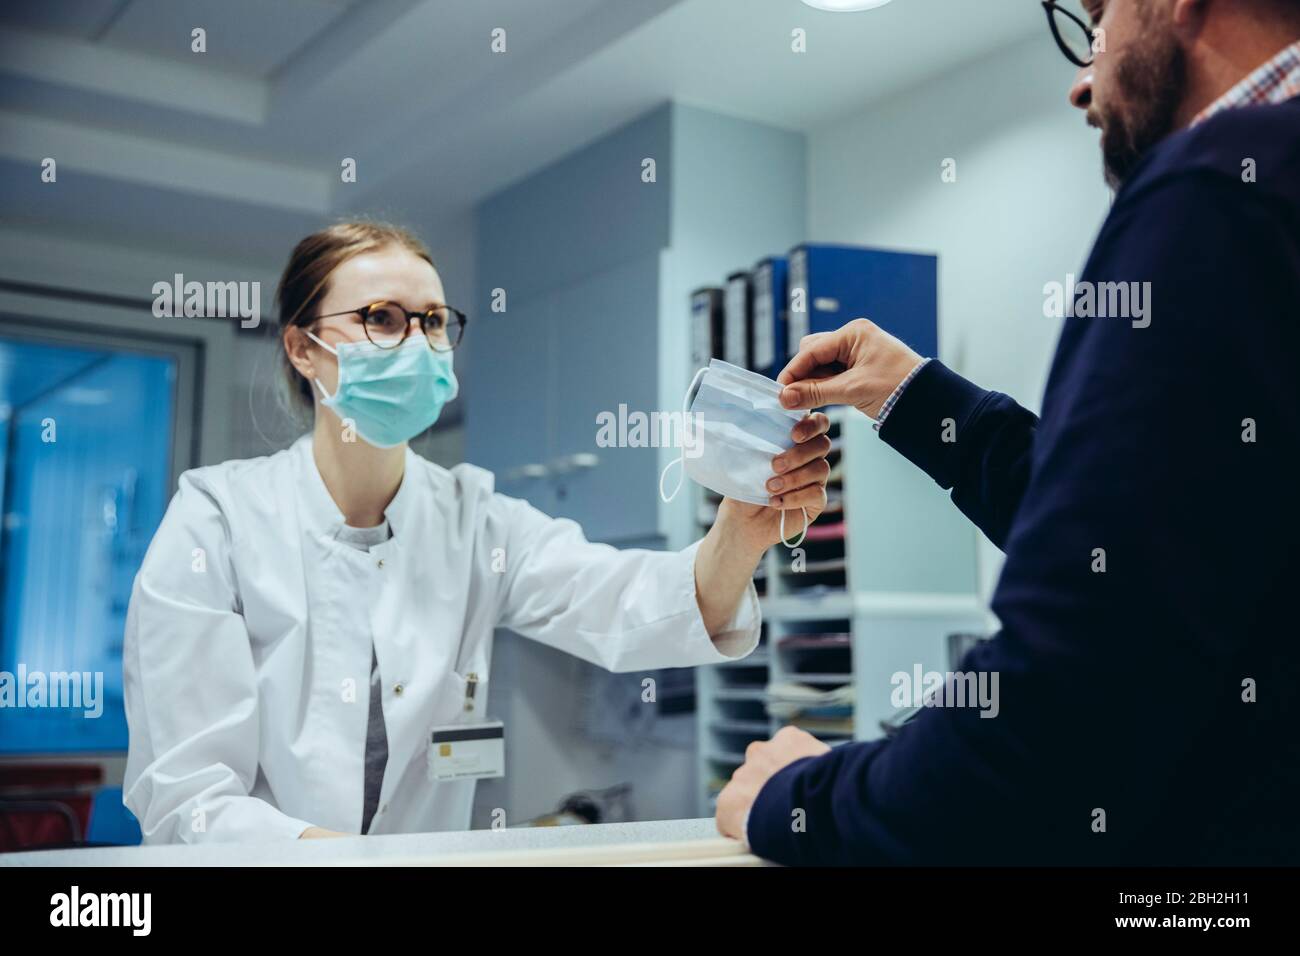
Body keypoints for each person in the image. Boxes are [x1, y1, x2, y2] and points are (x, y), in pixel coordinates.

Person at [717, 0, 1300, 864]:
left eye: (1096, 21)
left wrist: (797, 797)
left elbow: (1058, 730)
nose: (1081, 83)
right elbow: (1164, 545)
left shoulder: (1215, 187)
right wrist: (913, 396)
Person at [123, 221, 832, 843]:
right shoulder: (216, 518)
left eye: (433, 322)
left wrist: (741, 527)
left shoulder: (474, 517)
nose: (419, 342)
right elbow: (187, 794)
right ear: (303, 349)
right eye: (382, 318)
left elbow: (629, 604)